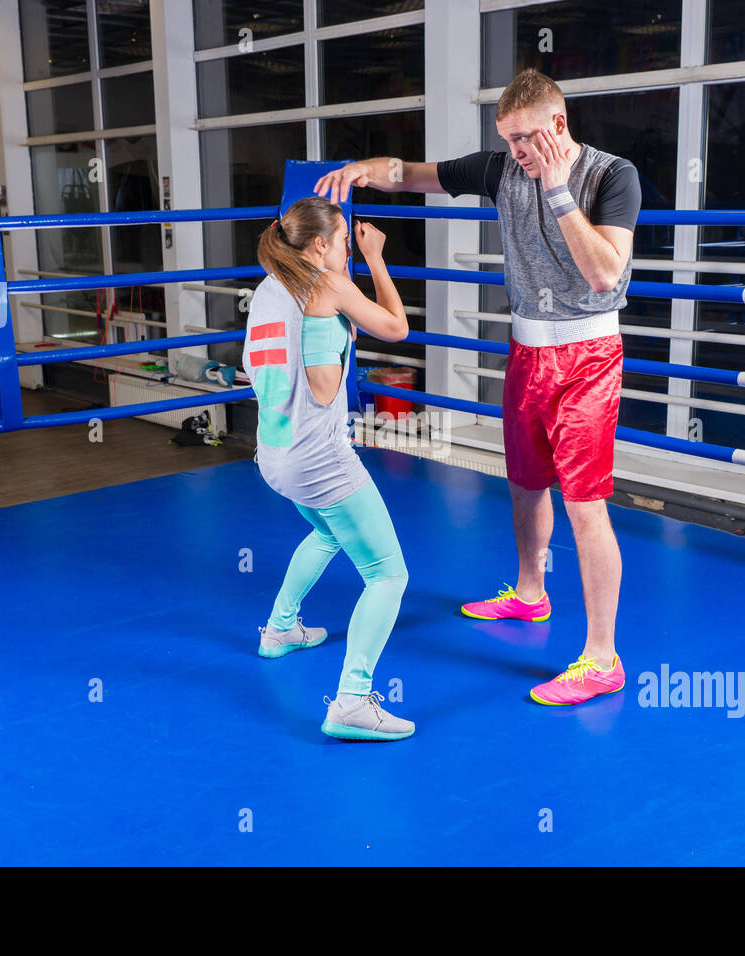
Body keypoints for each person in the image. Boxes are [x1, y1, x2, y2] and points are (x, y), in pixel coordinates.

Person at [314, 68, 640, 706]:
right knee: (524, 482)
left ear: (558, 125)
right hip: (527, 352)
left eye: (525, 139)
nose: (515, 152)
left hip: (588, 358)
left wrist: (557, 191)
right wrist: (362, 170)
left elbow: (605, 274)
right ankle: (530, 593)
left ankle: (603, 659)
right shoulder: (500, 169)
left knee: (585, 505)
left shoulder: (611, 176)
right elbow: (411, 174)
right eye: (507, 139)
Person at [243, 195, 415, 740]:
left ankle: (280, 628)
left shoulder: (269, 288)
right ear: (319, 245)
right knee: (388, 575)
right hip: (320, 461)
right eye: (344, 241)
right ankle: (351, 702)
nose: (350, 249)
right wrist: (376, 258)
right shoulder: (328, 285)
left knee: (327, 533)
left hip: (274, 453)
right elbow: (396, 327)